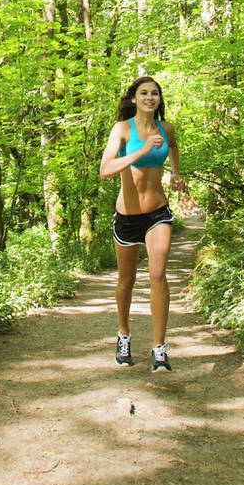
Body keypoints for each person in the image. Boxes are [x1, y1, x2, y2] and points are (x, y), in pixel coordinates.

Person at [99, 75, 187, 372]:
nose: (151, 97)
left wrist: (175, 174)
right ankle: (124, 335)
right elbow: (105, 170)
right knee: (127, 280)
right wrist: (142, 150)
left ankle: (159, 348)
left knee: (158, 274)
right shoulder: (122, 130)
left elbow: (172, 147)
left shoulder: (167, 129)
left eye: (155, 93)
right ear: (134, 99)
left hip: (158, 213)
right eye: (144, 93)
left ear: (159, 100)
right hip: (127, 216)